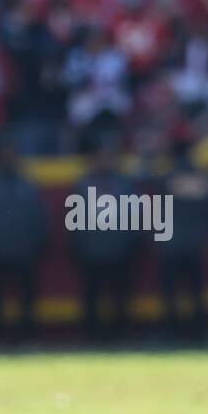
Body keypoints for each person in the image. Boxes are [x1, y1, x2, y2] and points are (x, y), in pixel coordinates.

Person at [0, 138, 48, 343]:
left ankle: (27, 335)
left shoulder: (27, 185)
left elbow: (39, 216)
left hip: (25, 249)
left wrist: (37, 242)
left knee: (27, 296)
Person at [70, 138, 143, 342]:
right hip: (92, 250)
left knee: (121, 297)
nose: (105, 162)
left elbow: (135, 215)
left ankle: (120, 333)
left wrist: (132, 241)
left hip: (120, 249)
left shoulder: (124, 184)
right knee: (92, 296)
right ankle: (93, 334)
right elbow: (74, 219)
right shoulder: (83, 185)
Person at [152, 141, 208, 343]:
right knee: (197, 291)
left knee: (171, 293)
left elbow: (158, 211)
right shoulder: (202, 177)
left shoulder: (167, 178)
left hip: (171, 244)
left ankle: (172, 332)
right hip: (196, 242)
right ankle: (200, 332)